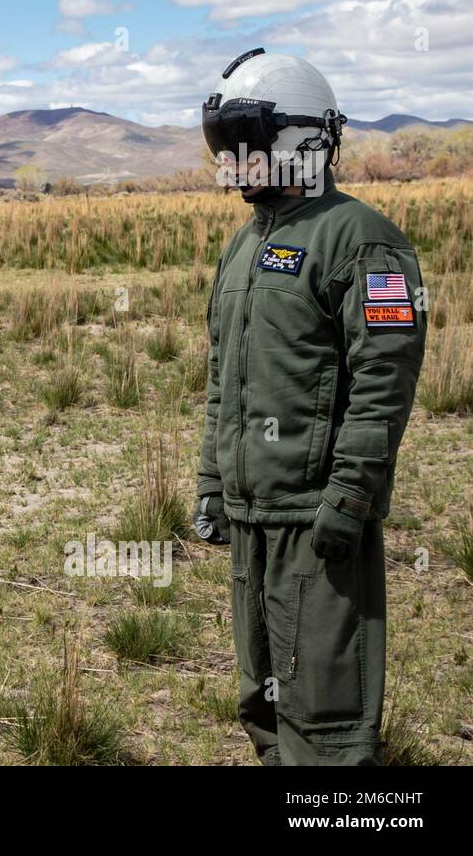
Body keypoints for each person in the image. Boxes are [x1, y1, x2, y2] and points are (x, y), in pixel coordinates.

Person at [194, 48, 427, 765]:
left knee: (325, 716)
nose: (234, 161)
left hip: (317, 517)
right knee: (261, 701)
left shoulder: (363, 240)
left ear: (300, 141)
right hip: (253, 513)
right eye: (225, 145)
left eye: (246, 142)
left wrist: (352, 495)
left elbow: (385, 377)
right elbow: (220, 377)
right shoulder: (244, 245)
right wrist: (213, 484)